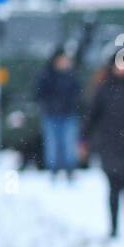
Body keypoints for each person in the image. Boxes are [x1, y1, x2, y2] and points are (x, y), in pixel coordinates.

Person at [81, 50, 124, 236]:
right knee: (114, 190)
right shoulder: (104, 88)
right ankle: (114, 227)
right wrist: (84, 139)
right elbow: (91, 116)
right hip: (111, 145)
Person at [34, 48, 82, 181]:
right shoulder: (46, 75)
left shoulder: (71, 76)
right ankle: (54, 170)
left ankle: (70, 170)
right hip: (52, 115)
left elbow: (77, 94)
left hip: (68, 115)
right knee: (53, 145)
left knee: (69, 144)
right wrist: (49, 106)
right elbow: (39, 95)